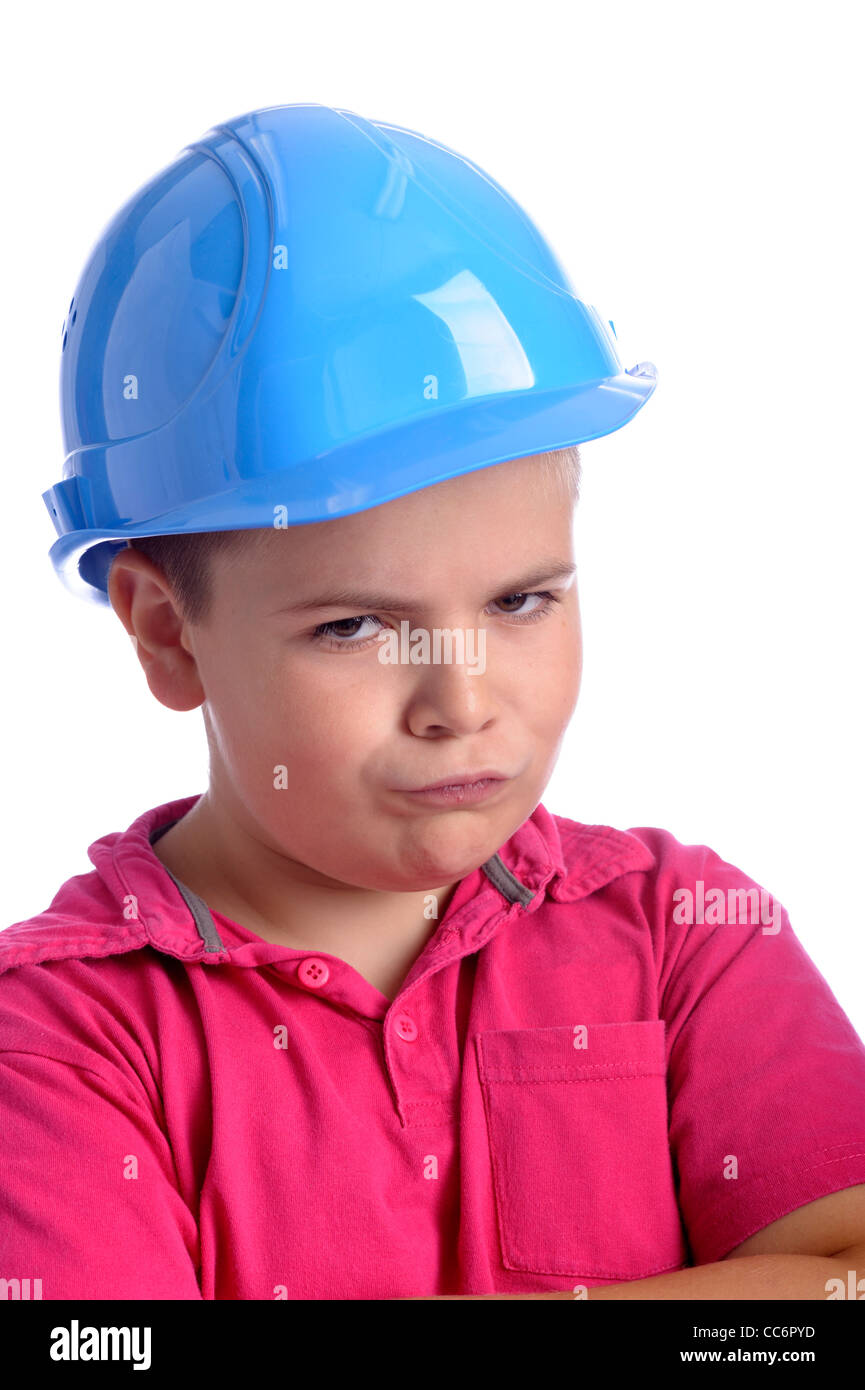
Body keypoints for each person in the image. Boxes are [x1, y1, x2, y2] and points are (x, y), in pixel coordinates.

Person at [2, 103, 864, 1302]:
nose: (461, 701)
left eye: (520, 601)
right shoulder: (57, 1041)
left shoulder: (686, 936)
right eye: (353, 625)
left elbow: (845, 1283)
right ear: (165, 629)